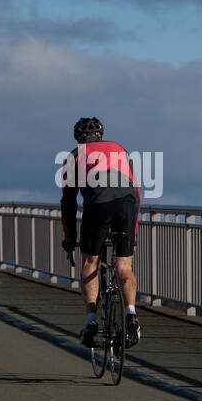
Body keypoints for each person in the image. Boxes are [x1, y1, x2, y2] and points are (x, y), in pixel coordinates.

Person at [59, 117, 142, 349]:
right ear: (101, 136)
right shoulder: (120, 150)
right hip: (127, 204)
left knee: (90, 262)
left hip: (98, 204)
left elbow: (68, 202)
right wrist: (132, 236)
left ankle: (92, 322)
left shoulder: (75, 156)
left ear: (78, 138)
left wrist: (70, 239)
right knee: (124, 266)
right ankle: (131, 314)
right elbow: (136, 192)